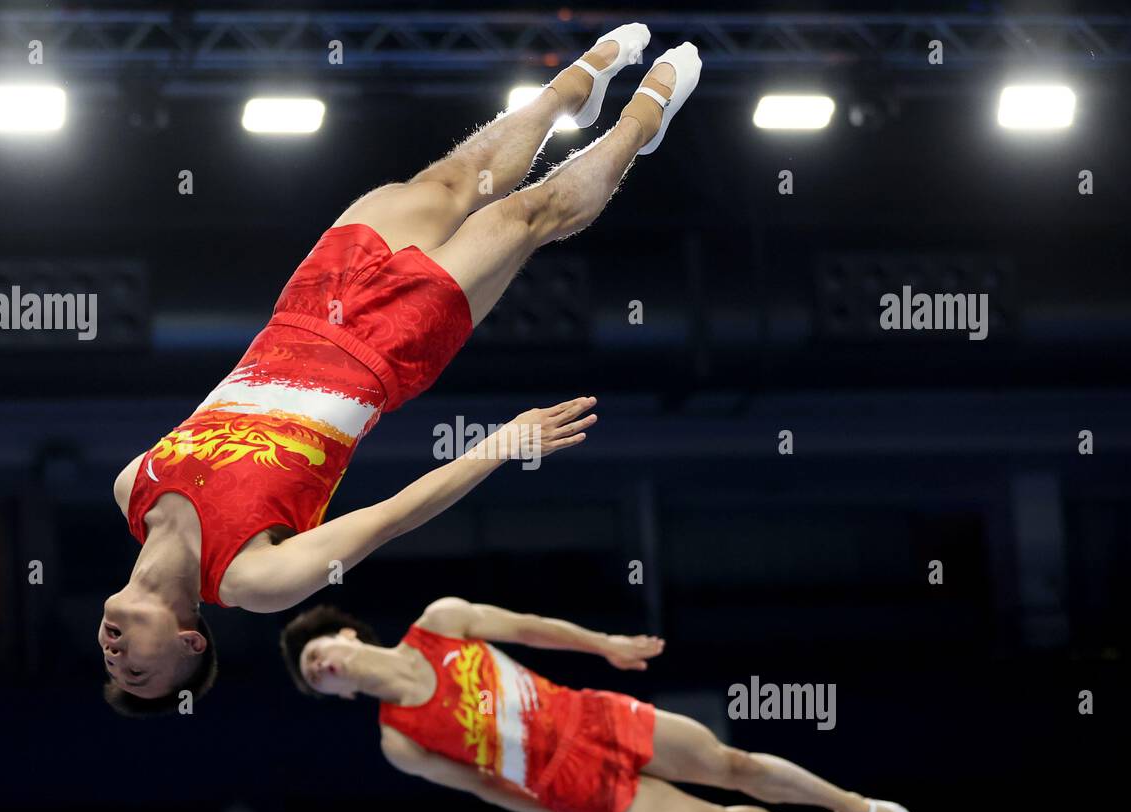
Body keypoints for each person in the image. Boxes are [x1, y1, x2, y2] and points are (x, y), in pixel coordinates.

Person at [102, 23, 703, 710]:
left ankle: (578, 86)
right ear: (191, 642)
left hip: (304, 307)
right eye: (137, 672)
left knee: (448, 181)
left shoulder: (131, 489)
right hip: (386, 346)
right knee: (527, 214)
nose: (115, 654)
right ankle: (642, 120)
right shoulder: (251, 579)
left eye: (111, 662)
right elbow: (390, 516)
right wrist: (498, 447)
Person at [279, 597, 918, 812]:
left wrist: (603, 644)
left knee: (733, 766)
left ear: (345, 635)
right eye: (319, 677)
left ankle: (854, 805)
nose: (326, 666)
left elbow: (528, 627)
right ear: (338, 692)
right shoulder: (399, 740)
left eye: (318, 654)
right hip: (571, 787)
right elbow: (480, 785)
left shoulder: (442, 621)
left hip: (591, 715)